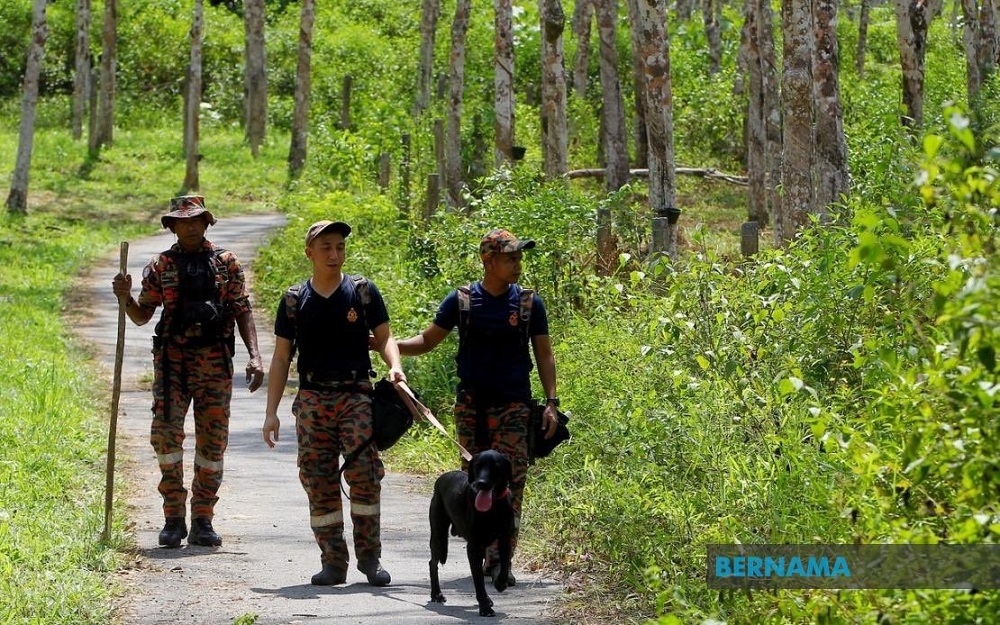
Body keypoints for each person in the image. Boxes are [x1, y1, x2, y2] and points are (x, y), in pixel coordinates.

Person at [397, 228, 560, 585]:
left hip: (514, 409)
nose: (517, 265)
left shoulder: (530, 304)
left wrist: (551, 402)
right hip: (471, 409)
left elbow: (545, 355)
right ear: (489, 261)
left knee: (511, 484)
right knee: (478, 483)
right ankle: (484, 549)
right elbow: (426, 340)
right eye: (509, 258)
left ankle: (501, 559)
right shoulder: (462, 301)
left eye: (519, 257)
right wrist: (386, 345)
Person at [111, 195, 265, 548]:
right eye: (182, 221)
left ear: (206, 222)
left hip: (214, 366)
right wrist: (125, 296)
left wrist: (255, 356)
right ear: (172, 226)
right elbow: (141, 315)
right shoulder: (161, 265)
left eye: (196, 220)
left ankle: (203, 519)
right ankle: (173, 517)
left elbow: (242, 309)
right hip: (171, 367)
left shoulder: (226, 262)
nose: (190, 226)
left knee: (213, 443)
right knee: (166, 438)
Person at [262, 219, 406, 587]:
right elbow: (281, 358)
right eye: (326, 247)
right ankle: (332, 561)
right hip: (312, 400)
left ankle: (370, 558)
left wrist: (396, 368)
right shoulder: (295, 300)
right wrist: (271, 413)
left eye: (340, 246)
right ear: (310, 252)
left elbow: (386, 337)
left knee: (364, 475)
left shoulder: (363, 292)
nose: (334, 254)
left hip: (356, 396)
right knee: (318, 479)